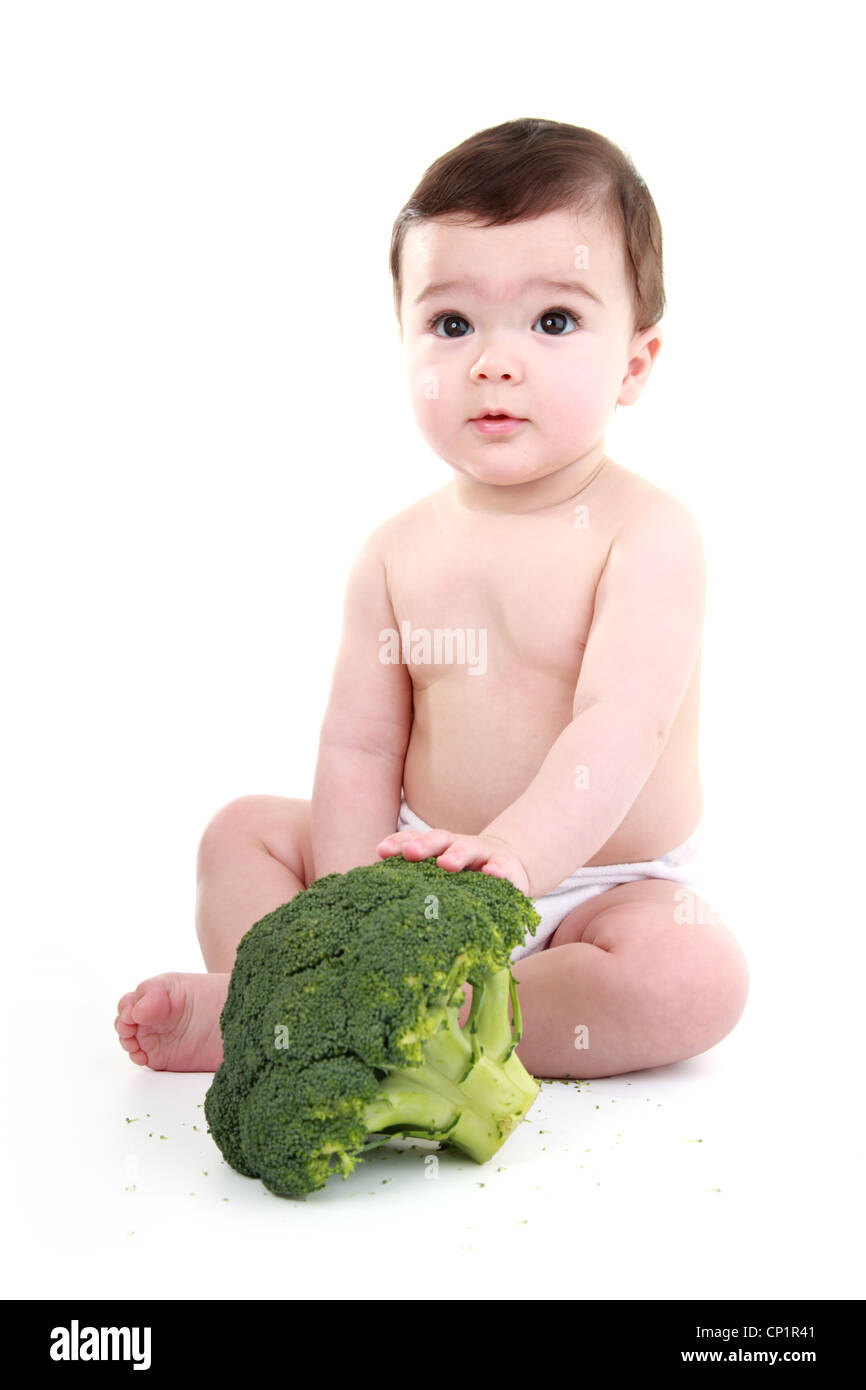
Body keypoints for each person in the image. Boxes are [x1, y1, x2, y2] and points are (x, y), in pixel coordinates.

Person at [116, 117, 748, 1081]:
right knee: (240, 830)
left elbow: (623, 723)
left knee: (694, 974)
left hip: (593, 892)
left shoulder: (648, 532)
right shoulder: (396, 551)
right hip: (413, 867)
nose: (494, 361)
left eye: (553, 321)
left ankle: (433, 1017)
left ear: (635, 364)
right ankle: (288, 993)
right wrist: (351, 904)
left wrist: (518, 855)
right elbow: (360, 744)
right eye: (452, 325)